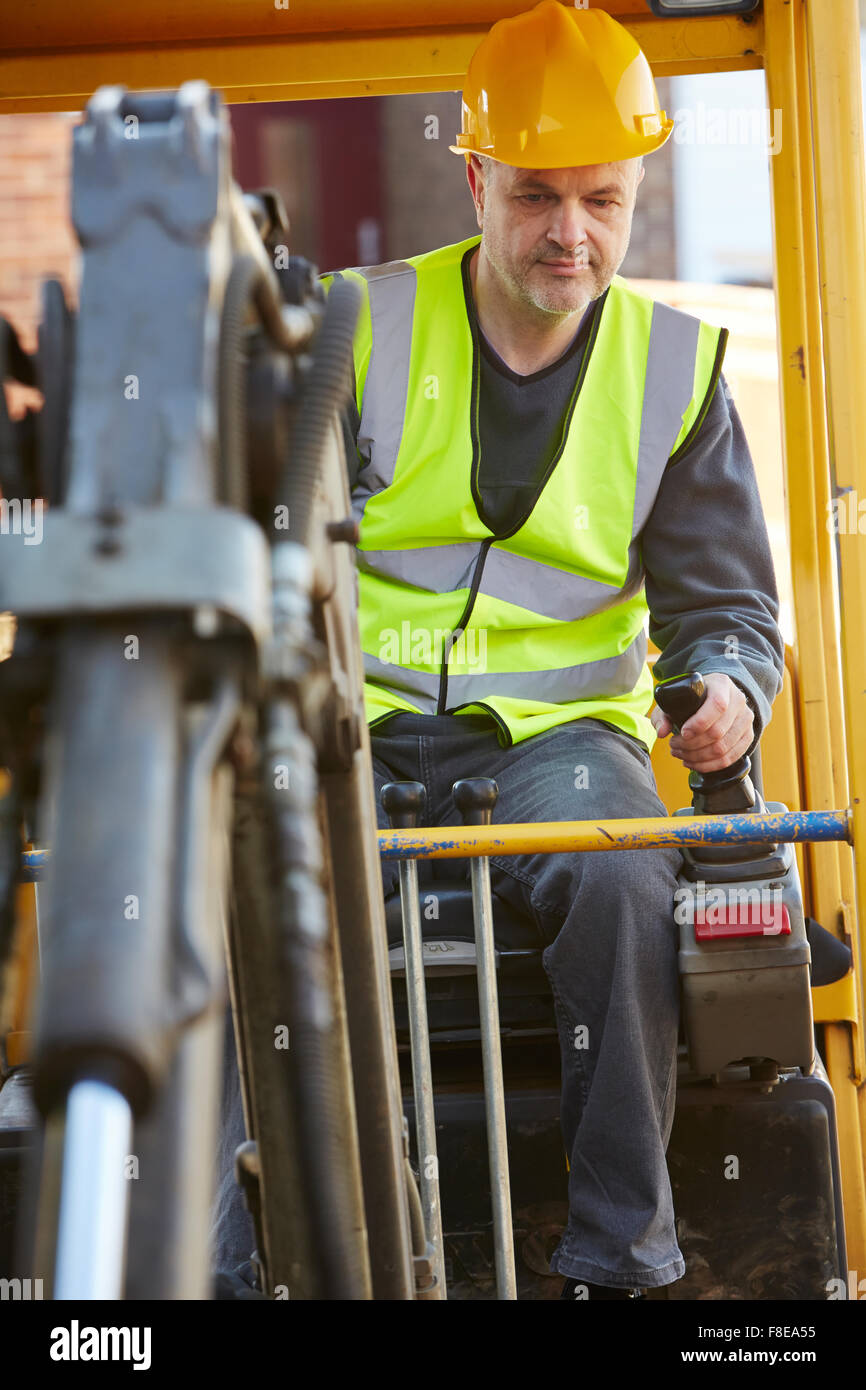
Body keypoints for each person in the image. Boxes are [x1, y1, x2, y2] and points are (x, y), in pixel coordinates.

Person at [212, 0, 785, 1299]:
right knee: (234, 872)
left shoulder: (675, 373)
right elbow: (255, 532)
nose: (568, 232)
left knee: (623, 879)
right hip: (348, 727)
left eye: (599, 198)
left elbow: (724, 612)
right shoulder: (348, 330)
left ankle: (616, 1261)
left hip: (556, 755)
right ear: (473, 178)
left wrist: (729, 693)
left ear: (635, 187)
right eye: (534, 196)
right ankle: (247, 1267)